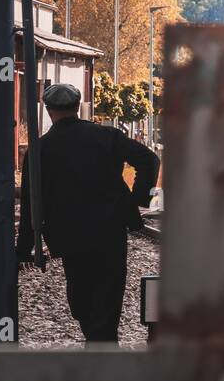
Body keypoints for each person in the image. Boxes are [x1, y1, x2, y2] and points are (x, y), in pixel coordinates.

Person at [17, 82, 161, 344]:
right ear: (79, 106)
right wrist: (136, 199)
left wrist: (25, 246)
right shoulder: (107, 136)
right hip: (110, 229)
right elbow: (149, 160)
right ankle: (103, 343)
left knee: (80, 295)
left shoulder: (40, 149)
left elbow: (30, 200)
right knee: (109, 290)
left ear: (49, 110)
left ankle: (100, 345)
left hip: (68, 234)